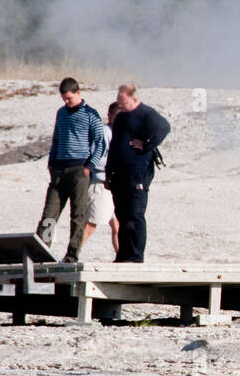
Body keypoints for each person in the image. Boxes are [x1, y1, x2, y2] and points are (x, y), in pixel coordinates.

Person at [37, 78, 105, 263]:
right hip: (58, 169)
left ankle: (72, 254)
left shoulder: (90, 114)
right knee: (49, 214)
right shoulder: (61, 113)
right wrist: (51, 161)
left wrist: (89, 167)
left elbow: (100, 142)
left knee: (78, 214)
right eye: (63, 99)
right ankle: (41, 251)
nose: (66, 102)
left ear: (78, 93)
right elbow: (56, 138)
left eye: (69, 98)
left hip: (79, 170)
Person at [105, 83, 170, 263]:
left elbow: (164, 127)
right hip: (119, 174)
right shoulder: (120, 118)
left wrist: (147, 145)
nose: (120, 106)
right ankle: (123, 255)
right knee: (122, 215)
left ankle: (135, 256)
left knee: (135, 215)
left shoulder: (146, 113)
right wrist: (108, 172)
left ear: (134, 98)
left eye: (123, 103)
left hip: (138, 174)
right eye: (118, 102)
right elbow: (114, 146)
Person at [82, 101, 120, 255]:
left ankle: (122, 258)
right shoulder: (104, 132)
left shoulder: (119, 132)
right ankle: (70, 256)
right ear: (109, 116)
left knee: (117, 225)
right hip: (101, 184)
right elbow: (96, 157)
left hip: (115, 186)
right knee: (91, 224)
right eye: (117, 117)